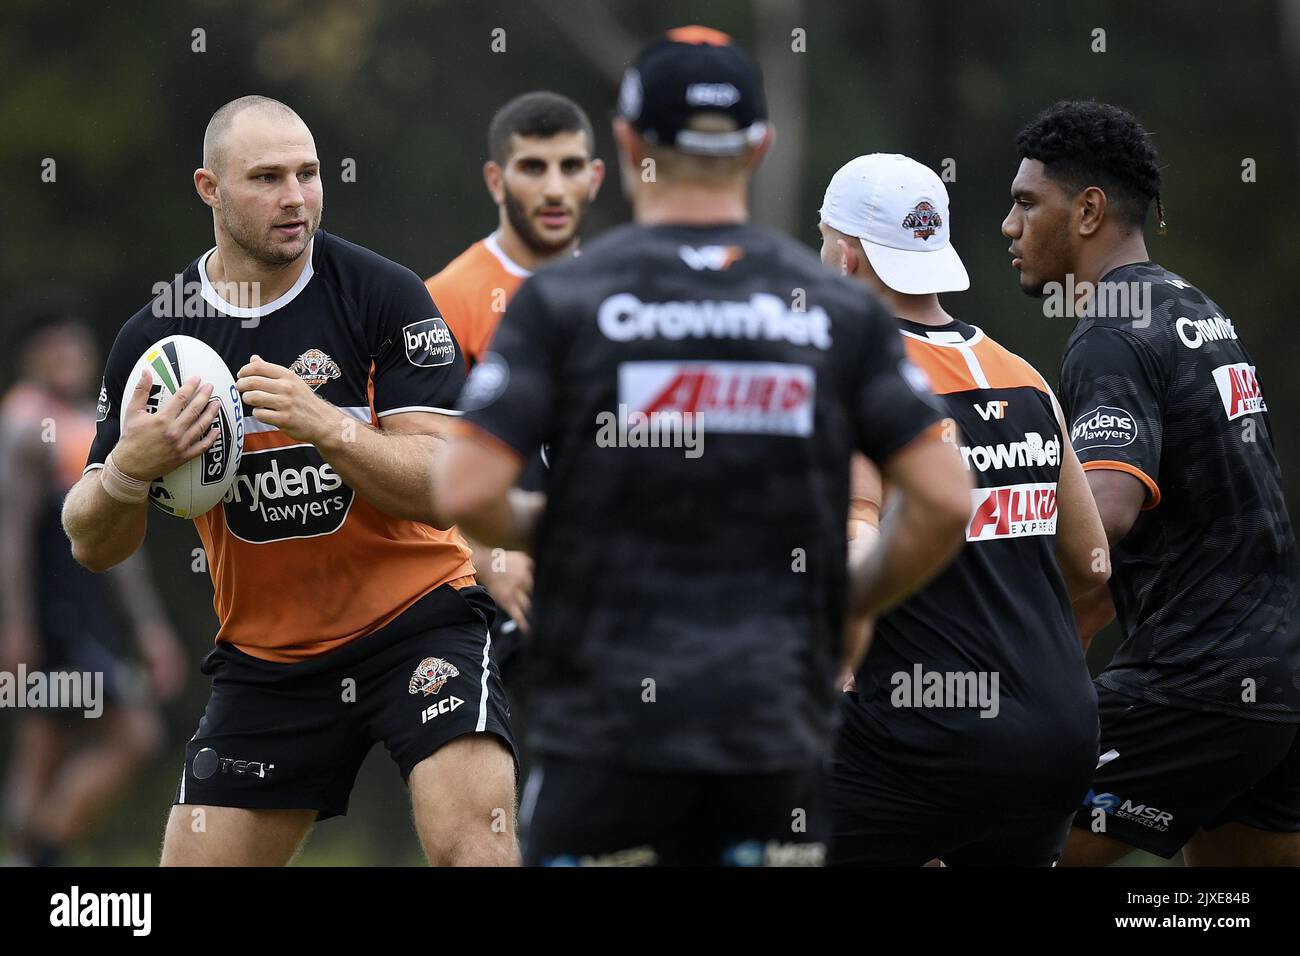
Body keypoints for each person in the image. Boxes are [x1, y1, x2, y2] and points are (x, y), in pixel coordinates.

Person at [435, 26, 972, 866]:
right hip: (772, 734)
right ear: (760, 147)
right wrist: (852, 597)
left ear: (624, 142)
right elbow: (945, 497)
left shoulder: (563, 299)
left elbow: (464, 489)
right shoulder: (836, 309)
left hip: (604, 735)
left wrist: (572, 528)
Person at [60, 95, 518, 866]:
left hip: (417, 625)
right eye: (267, 178)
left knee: (473, 849)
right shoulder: (157, 340)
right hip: (270, 664)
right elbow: (91, 540)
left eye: (307, 174)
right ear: (209, 189)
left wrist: (330, 424)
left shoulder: (384, 295)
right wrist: (129, 472)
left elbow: (447, 483)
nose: (296, 197)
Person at [1004, 99, 1300, 866]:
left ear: (1089, 209)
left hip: (1191, 685)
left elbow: (1104, 519)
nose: (1010, 225)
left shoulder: (1109, 332)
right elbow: (1111, 576)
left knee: (993, 841)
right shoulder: (1194, 308)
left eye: (1027, 202)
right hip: (1275, 687)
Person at [817, 153, 1107, 866]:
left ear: (847, 257)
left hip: (926, 739)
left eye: (822, 238)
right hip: (1059, 734)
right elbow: (1094, 566)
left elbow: (856, 544)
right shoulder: (1026, 378)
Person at [0, 307, 185, 866]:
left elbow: (121, 550)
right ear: (31, 357)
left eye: (77, 349)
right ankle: (42, 855)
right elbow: (7, 532)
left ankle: (32, 854)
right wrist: (15, 626)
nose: (69, 360)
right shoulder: (25, 424)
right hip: (51, 614)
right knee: (131, 732)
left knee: (48, 742)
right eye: (55, 349)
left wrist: (149, 627)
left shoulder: (90, 422)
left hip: (85, 613)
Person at [425, 91, 605, 656]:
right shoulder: (443, 301)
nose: (554, 188)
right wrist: (489, 555)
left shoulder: (628, 295)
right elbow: (419, 464)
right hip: (506, 602)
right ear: (496, 181)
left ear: (596, 177)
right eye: (533, 167)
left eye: (570, 167)